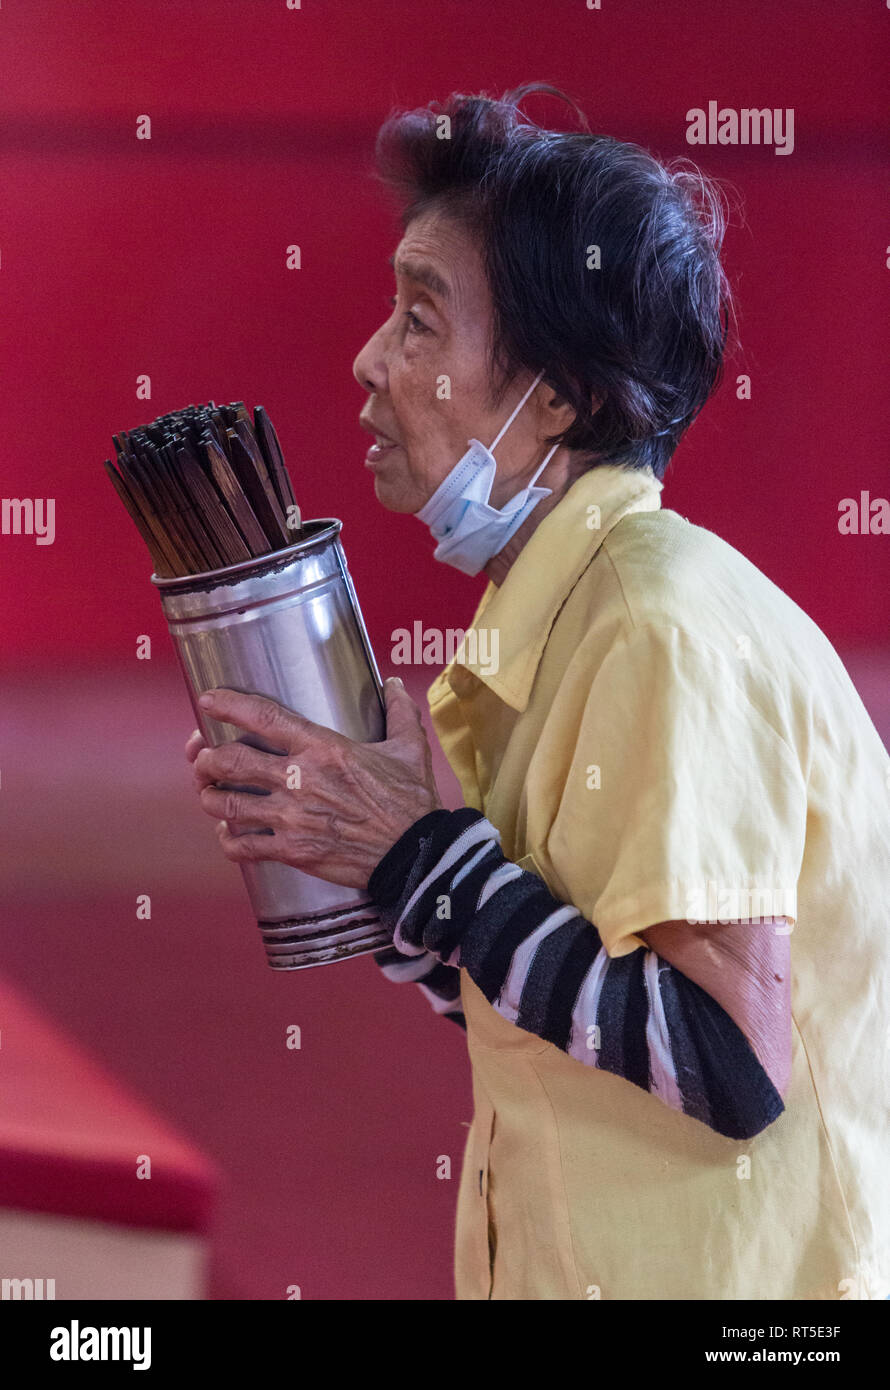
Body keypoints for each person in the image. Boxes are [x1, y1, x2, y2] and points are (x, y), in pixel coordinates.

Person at [185, 85, 890, 1300]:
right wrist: (387, 875)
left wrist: (420, 861)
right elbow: (581, 1025)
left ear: (556, 396)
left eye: (419, 319)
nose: (368, 360)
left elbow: (725, 1061)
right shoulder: (575, 608)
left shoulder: (657, 627)